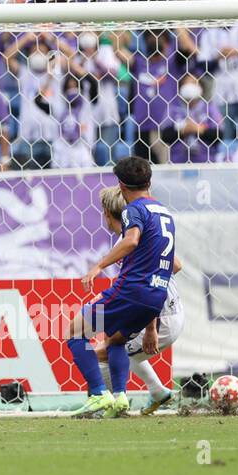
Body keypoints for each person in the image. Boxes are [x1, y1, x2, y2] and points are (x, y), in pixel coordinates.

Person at [66, 156, 175, 419]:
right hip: (156, 296)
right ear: (149, 182)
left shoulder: (132, 209)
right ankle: (120, 397)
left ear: (122, 186)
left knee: (74, 331)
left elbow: (131, 240)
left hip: (131, 290)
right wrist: (151, 325)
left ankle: (97, 394)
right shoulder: (164, 212)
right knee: (117, 339)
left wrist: (98, 266)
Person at [92, 186, 182, 415]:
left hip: (160, 317)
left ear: (107, 213)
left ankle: (110, 407)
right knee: (115, 339)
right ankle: (158, 392)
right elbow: (177, 265)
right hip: (174, 312)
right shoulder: (146, 236)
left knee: (101, 353)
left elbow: (145, 285)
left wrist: (151, 326)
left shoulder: (127, 243)